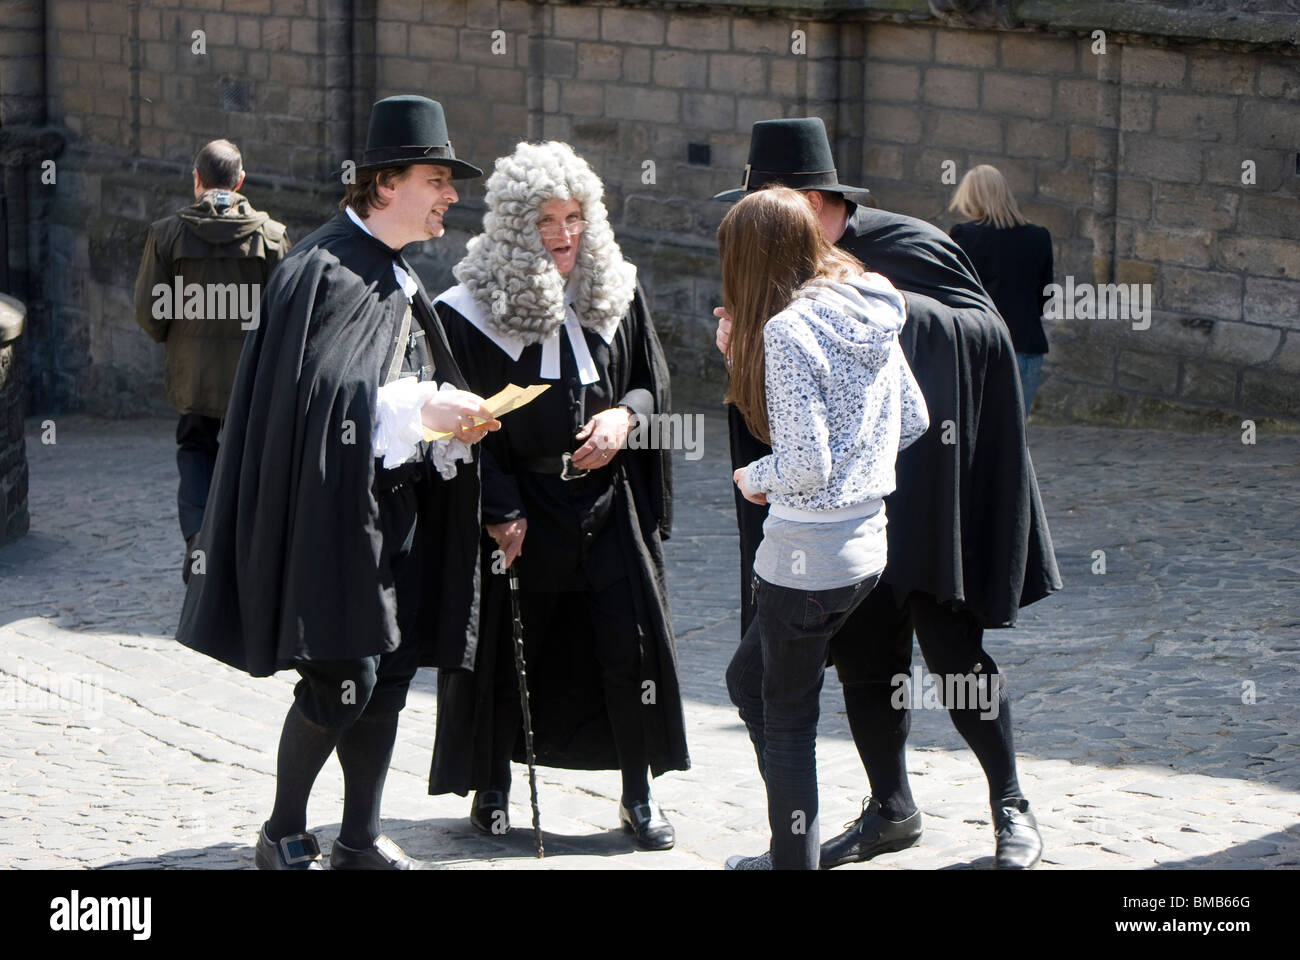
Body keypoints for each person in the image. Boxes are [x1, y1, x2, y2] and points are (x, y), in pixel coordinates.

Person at [713, 118, 1061, 870]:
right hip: (843, 518)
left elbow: (987, 337)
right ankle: (890, 808)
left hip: (931, 498)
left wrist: (882, 313)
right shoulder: (787, 278)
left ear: (806, 201)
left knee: (953, 655)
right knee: (868, 663)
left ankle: (1010, 806)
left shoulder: (907, 249)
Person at [176, 96, 498, 870]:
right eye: (436, 179)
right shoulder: (319, 267)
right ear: (385, 183)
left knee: (387, 675)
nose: (451, 195)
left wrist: (448, 418)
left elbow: (399, 375)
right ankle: (282, 829)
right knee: (341, 677)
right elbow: (321, 397)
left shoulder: (398, 272)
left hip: (394, 509)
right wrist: (419, 408)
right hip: (328, 512)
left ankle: (360, 839)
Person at [428, 140, 688, 850]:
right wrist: (499, 506)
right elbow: (464, 417)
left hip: (608, 504)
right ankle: (493, 789)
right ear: (515, 225)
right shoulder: (464, 312)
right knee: (515, 651)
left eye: (573, 217)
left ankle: (638, 793)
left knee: (626, 649)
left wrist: (625, 416)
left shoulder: (616, 296)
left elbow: (649, 380)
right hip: (523, 509)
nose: (565, 234)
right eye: (546, 220)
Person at [720, 188, 928, 870]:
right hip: (867, 548)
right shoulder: (868, 304)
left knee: (787, 722)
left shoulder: (786, 330)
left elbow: (804, 466)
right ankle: (791, 846)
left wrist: (754, 478)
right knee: (749, 685)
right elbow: (916, 421)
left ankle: (792, 860)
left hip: (805, 555)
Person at [133, 139, 290, 582]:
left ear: (196, 181)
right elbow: (285, 313)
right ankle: (241, 552)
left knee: (197, 451)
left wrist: (178, 342)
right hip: (250, 377)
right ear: (240, 181)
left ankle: (199, 536)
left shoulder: (167, 233)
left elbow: (149, 310)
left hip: (195, 376)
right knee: (245, 456)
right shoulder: (272, 236)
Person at [949, 164, 1054, 410]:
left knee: (978, 436)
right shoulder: (1039, 236)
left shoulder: (964, 235)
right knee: (1016, 438)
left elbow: (955, 295)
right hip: (1026, 346)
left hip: (982, 346)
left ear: (972, 197)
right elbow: (1045, 300)